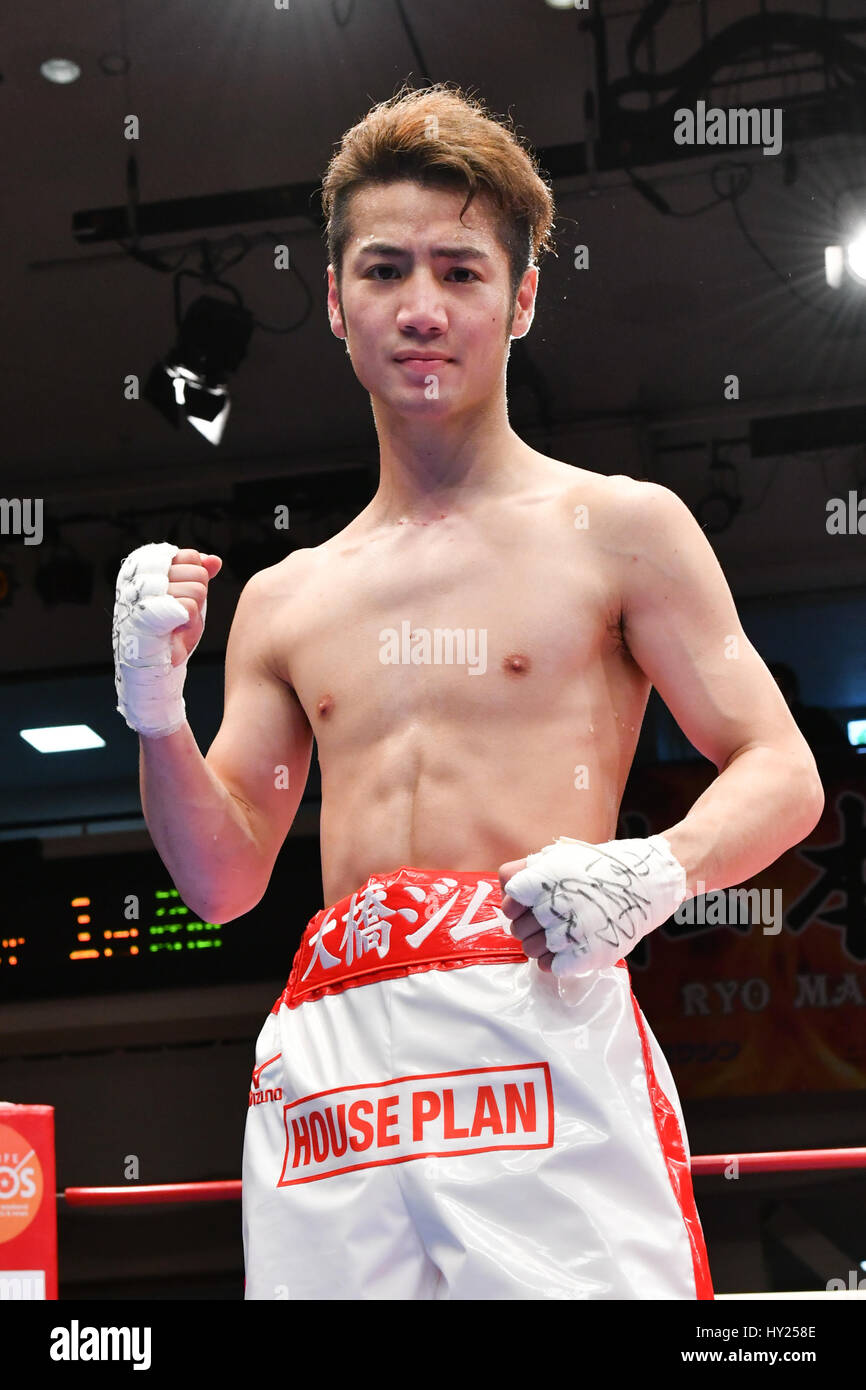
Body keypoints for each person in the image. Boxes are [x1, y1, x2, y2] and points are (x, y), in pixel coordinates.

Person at [112, 83, 824, 1300]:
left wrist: (656, 870)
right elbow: (224, 879)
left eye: (461, 269)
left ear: (523, 296)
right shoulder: (286, 598)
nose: (422, 307)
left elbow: (782, 769)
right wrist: (152, 711)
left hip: (532, 1027)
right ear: (335, 302)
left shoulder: (618, 526)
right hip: (331, 1066)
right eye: (385, 270)